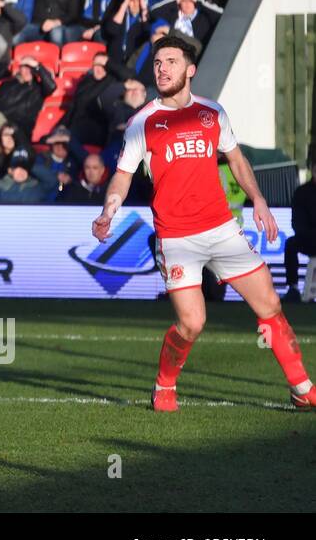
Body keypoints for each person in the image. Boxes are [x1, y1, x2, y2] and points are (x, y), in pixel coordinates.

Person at [92, 34, 316, 411]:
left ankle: (302, 387)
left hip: (222, 228)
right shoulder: (142, 122)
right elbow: (123, 175)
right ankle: (165, 384)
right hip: (177, 236)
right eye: (158, 63)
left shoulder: (213, 113)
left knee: (270, 305)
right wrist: (109, 209)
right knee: (192, 323)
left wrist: (258, 199)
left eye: (171, 62)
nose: (162, 69)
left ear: (190, 69)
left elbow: (237, 159)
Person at [286, 170, 315, 301]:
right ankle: (293, 288)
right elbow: (297, 221)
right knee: (290, 244)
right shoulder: (302, 192)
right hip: (307, 239)